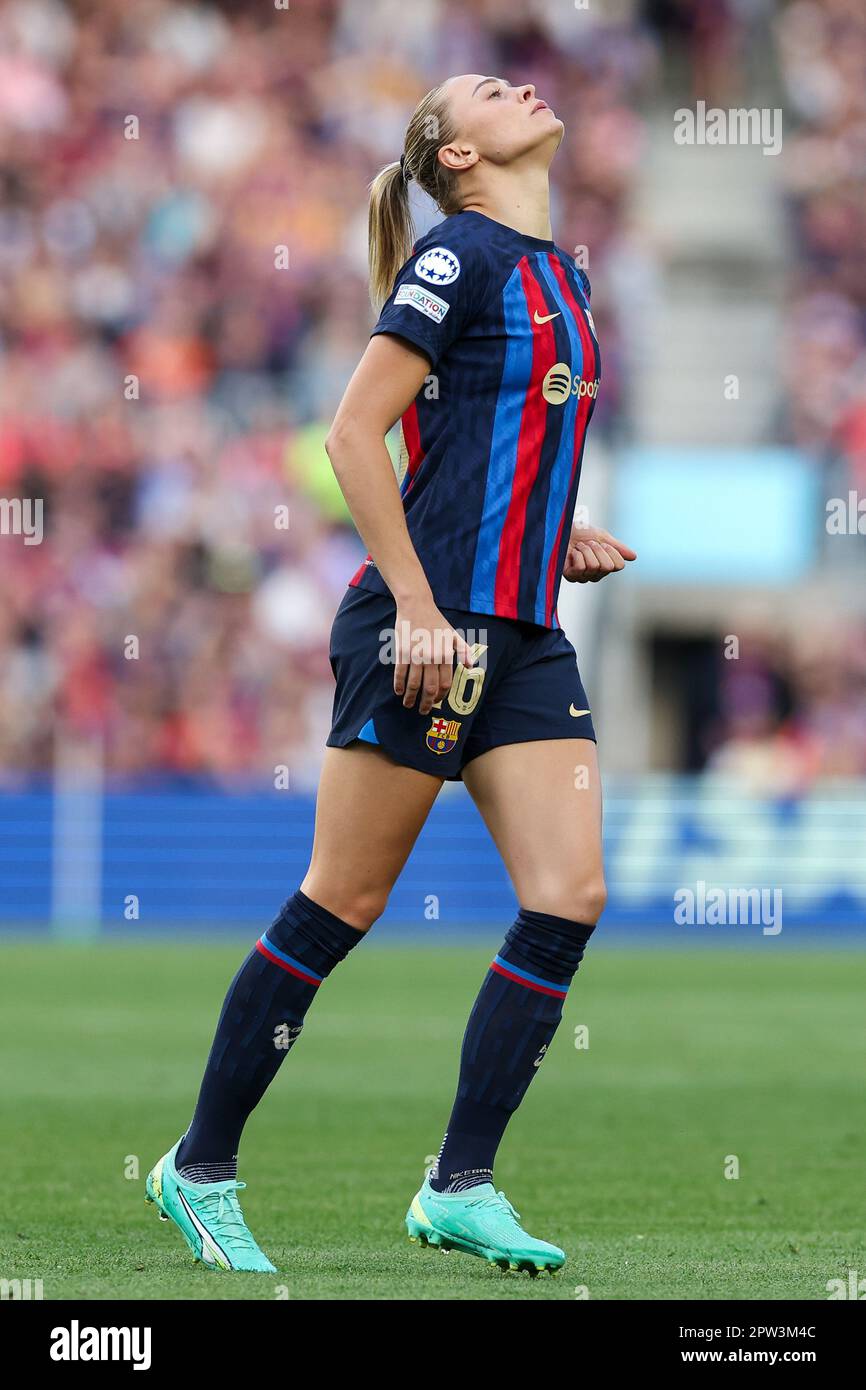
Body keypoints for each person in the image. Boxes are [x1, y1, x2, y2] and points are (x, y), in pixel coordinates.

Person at [146, 72, 636, 1276]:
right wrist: (417, 604)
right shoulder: (454, 258)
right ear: (458, 154)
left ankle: (457, 1183)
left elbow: (496, 440)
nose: (517, 84)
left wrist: (547, 532)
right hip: (424, 628)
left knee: (569, 892)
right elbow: (350, 433)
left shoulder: (562, 272)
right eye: (485, 91)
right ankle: (197, 1164)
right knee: (343, 901)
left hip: (520, 627)